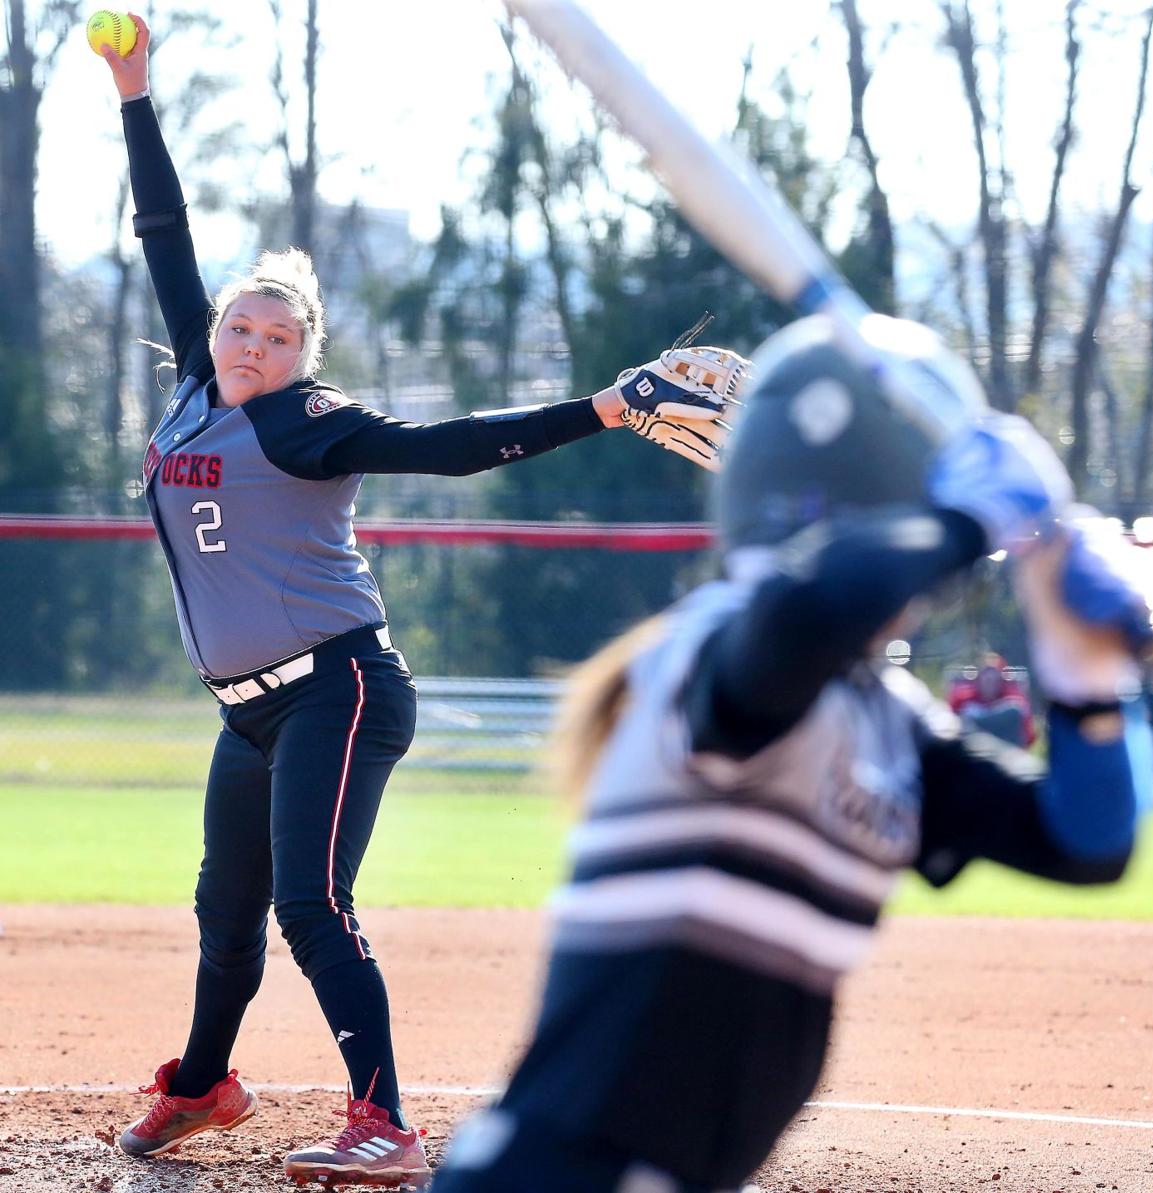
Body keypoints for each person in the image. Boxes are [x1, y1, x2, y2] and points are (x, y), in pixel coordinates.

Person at [96, 17, 746, 1190]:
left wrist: (601, 407)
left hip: (336, 689)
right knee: (224, 909)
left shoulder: (307, 419)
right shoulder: (201, 387)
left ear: (305, 352)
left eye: (276, 333)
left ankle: (384, 1120)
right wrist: (134, 89)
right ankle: (202, 1081)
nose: (250, 341)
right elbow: (161, 229)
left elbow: (449, 447)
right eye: (240, 326)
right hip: (247, 709)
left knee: (310, 901)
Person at [431, 313, 1153, 1193]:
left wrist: (1083, 677)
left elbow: (1084, 844)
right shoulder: (717, 644)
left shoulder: (888, 719)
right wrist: (969, 523)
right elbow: (808, 612)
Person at [946, 652, 1036, 747]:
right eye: (986, 679)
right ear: (978, 679)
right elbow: (950, 729)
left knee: (1013, 711)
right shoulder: (963, 699)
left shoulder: (1014, 700)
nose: (990, 684)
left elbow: (1027, 736)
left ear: (1001, 681)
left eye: (994, 679)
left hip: (1005, 751)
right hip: (973, 751)